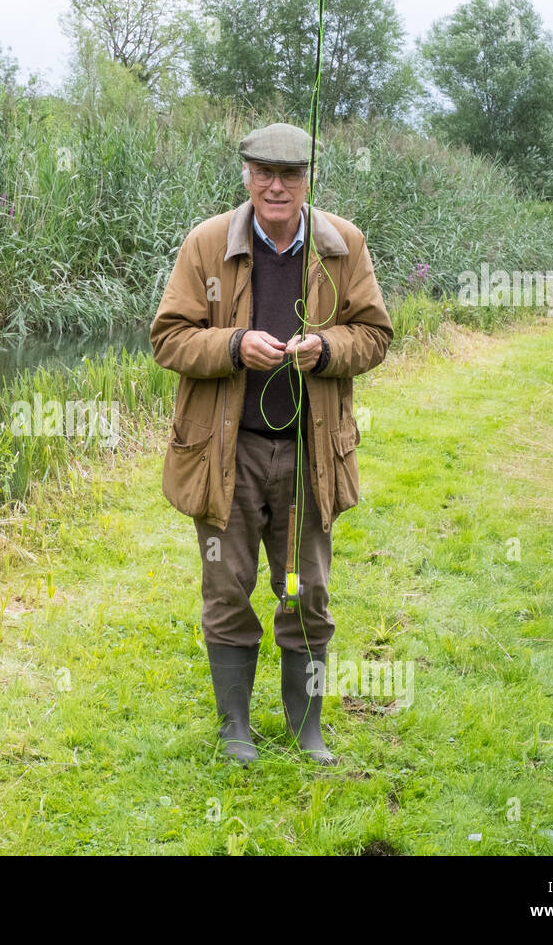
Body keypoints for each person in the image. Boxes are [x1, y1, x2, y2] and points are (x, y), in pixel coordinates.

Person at [149, 121, 393, 766]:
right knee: (228, 587)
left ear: (308, 179)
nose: (276, 186)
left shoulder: (343, 246)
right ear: (248, 175)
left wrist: (329, 347)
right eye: (264, 173)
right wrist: (233, 344)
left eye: (290, 175)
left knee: (305, 592)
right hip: (225, 456)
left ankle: (306, 729)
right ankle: (235, 730)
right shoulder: (205, 244)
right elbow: (168, 338)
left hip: (311, 456)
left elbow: (374, 336)